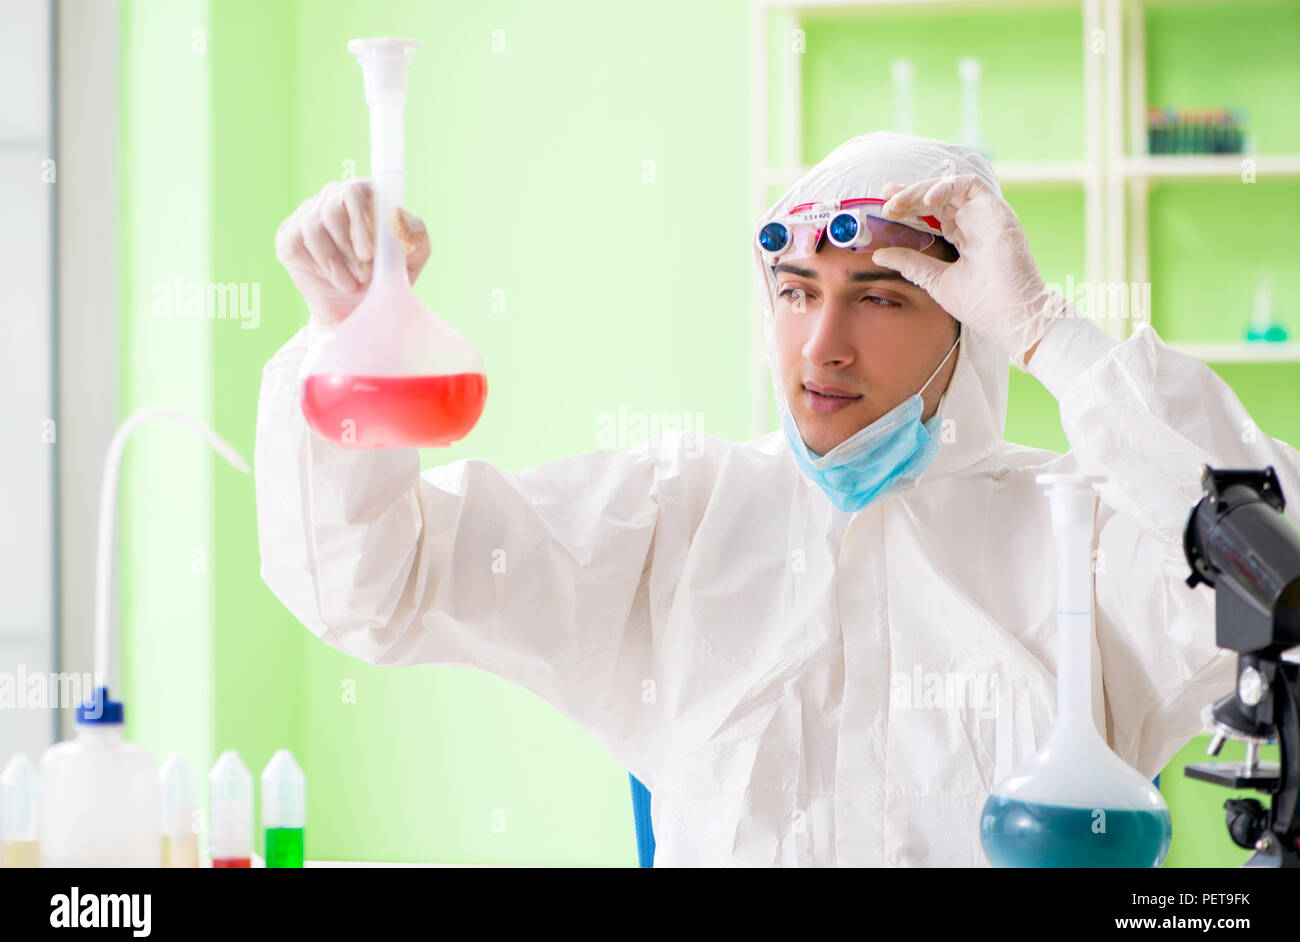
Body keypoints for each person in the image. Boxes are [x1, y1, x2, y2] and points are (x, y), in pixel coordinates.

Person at [256, 131, 1300, 866]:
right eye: (795, 293)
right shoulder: (675, 515)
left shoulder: (1082, 533)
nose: (821, 346)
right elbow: (375, 585)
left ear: (964, 326)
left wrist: (1046, 330)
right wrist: (346, 334)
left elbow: (1282, 583)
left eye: (879, 298)